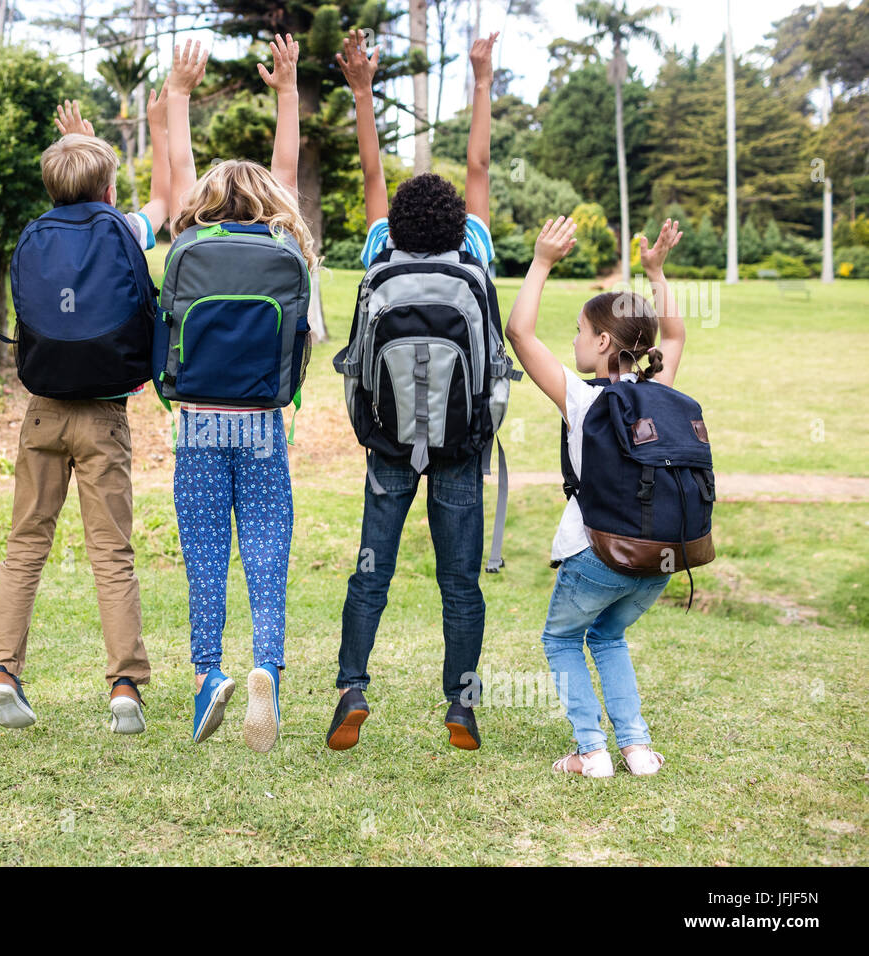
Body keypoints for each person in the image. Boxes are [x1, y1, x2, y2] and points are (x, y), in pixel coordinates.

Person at [0, 86, 170, 736]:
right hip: (103, 416)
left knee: (25, 543)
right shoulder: (125, 227)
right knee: (110, 552)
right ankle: (124, 685)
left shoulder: (39, 233)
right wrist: (162, 118)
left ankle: (2, 669)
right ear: (109, 188)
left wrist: (79, 147)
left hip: (43, 409)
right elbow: (164, 207)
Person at [327, 29, 499, 752]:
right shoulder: (475, 253)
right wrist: (481, 78)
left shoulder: (378, 253)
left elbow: (372, 174)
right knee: (459, 582)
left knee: (373, 571)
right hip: (460, 445)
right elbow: (480, 163)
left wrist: (363, 92)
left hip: (389, 439)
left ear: (395, 223)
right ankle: (460, 707)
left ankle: (352, 688)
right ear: (459, 222)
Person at [167, 37, 319, 752]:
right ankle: (267, 670)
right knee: (266, 553)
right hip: (262, 424)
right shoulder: (287, 255)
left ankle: (207, 674)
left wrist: (178, 98)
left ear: (207, 202)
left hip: (197, 424)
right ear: (271, 202)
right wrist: (287, 92)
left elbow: (177, 175)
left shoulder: (187, 249)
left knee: (205, 556)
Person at [504, 215, 684, 777]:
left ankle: (592, 751)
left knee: (560, 640)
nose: (575, 341)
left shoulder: (584, 400)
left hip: (597, 549)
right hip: (659, 556)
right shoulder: (659, 391)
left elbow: (519, 334)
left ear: (604, 342)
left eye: (581, 333)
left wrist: (541, 262)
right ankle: (636, 748)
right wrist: (656, 272)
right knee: (608, 637)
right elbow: (673, 337)